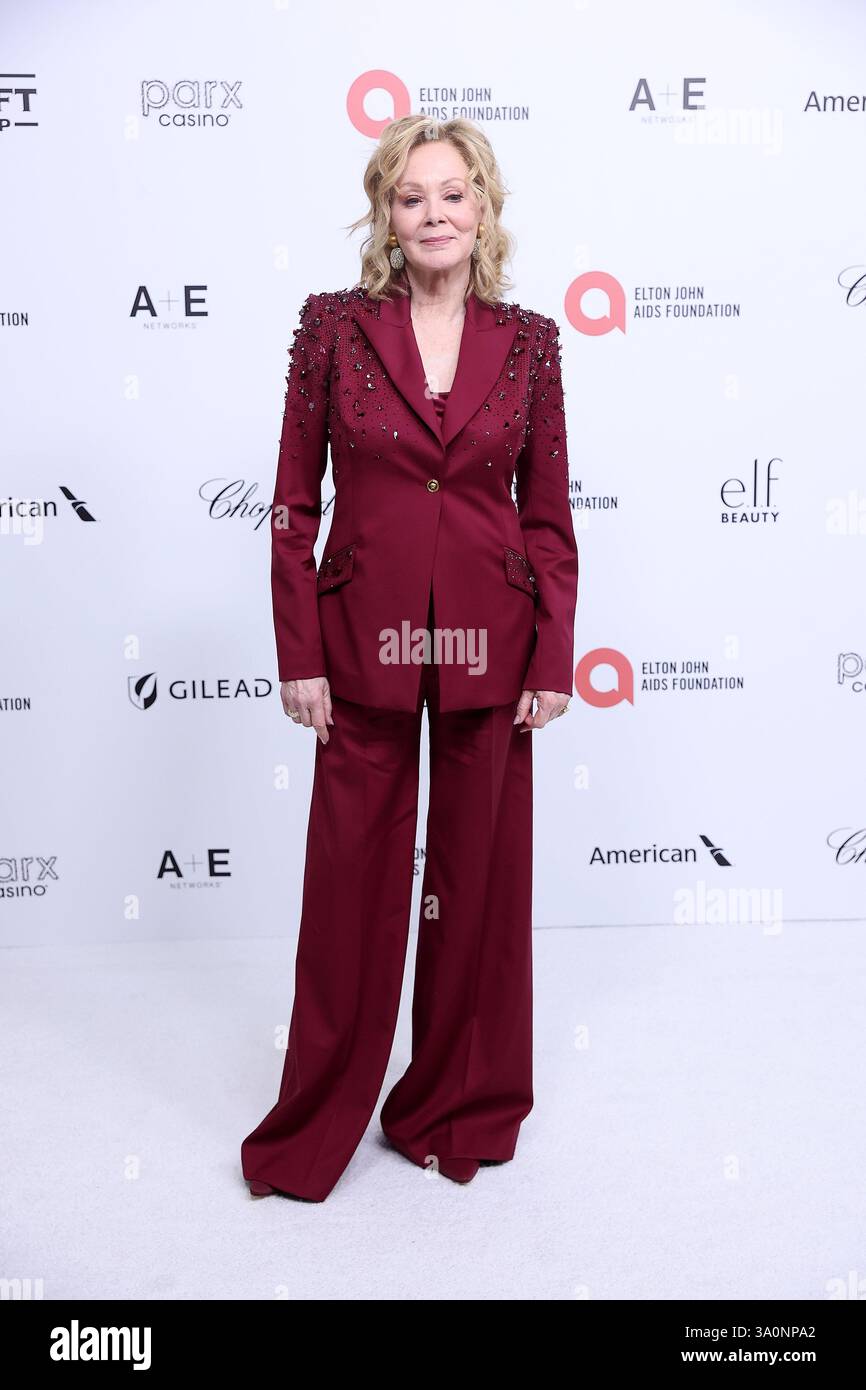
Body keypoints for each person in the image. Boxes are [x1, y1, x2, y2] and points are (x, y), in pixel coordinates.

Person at [240, 115, 578, 1202]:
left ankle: (451, 1108)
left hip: (492, 643)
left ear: (483, 210)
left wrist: (553, 658)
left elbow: (548, 512)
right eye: (410, 196)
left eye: (452, 193)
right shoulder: (332, 330)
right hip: (359, 643)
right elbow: (294, 504)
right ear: (385, 215)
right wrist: (300, 650)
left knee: (476, 891)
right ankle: (319, 1117)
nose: (433, 213)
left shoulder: (527, 341)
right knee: (351, 890)